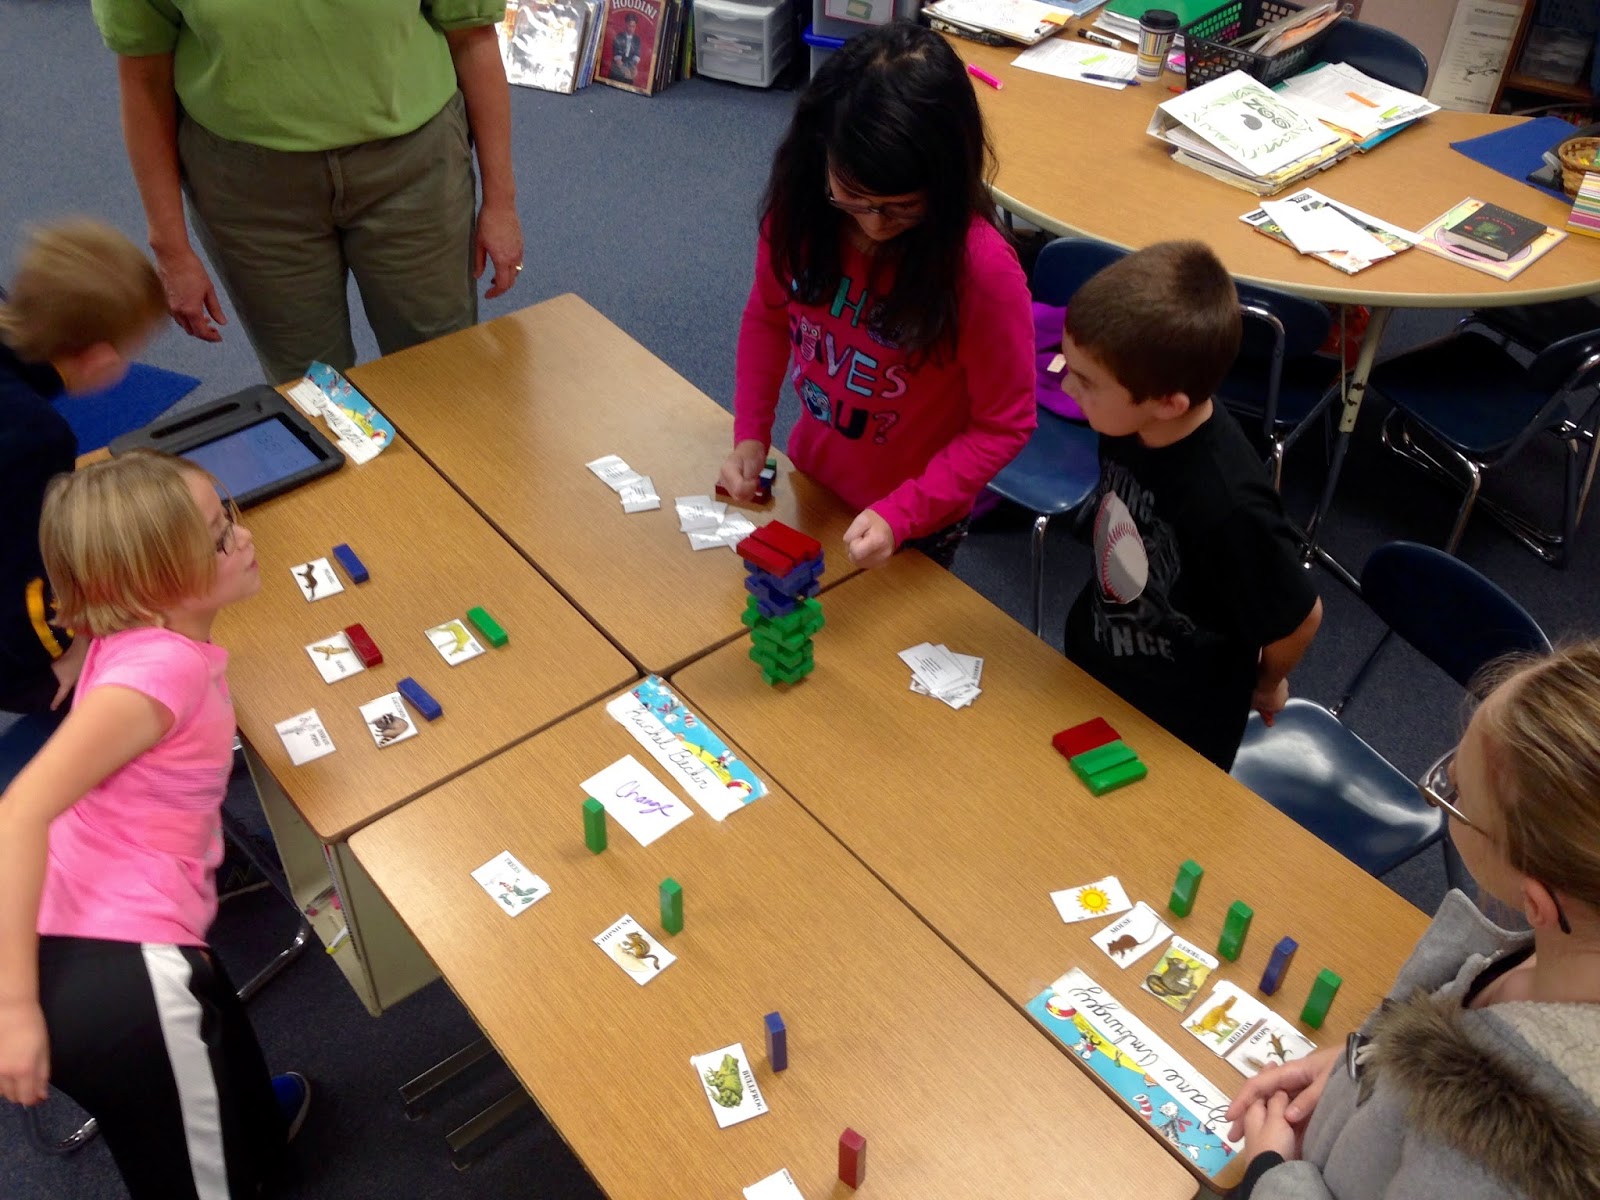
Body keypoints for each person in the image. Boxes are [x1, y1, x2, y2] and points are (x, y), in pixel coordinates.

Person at [0, 451, 308, 1198]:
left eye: (225, 515)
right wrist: (13, 1009)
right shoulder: (158, 672)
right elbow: (20, 811)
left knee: (221, 1039)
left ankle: (252, 1140)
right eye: (215, 537)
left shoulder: (134, 630)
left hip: (126, 912)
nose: (240, 537)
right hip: (119, 975)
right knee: (192, 1177)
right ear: (149, 584)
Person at [1226, 640, 1600, 1198]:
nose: (1440, 785)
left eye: (1455, 794)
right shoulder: (1568, 946)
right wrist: (1371, 1064)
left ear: (1538, 901)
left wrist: (1270, 1173)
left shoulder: (1505, 1159)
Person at [720, 20, 1035, 570]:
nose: (874, 224)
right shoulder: (798, 217)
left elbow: (1004, 422)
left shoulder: (982, 271)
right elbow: (769, 320)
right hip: (814, 481)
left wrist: (904, 513)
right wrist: (751, 435)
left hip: (915, 522)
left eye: (900, 207)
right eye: (854, 199)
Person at [90, 0, 526, 385]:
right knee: (313, 392)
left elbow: (473, 39)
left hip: (412, 165)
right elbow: (144, 77)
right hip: (250, 191)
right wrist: (170, 247)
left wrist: (501, 201)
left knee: (439, 370)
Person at [1057, 241, 1321, 771]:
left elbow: (1301, 616)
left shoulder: (1229, 503)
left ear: (1167, 403)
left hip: (1176, 721)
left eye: (1086, 382)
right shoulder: (1132, 422)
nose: (1066, 386)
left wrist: (1268, 684)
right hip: (1095, 661)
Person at [1, 219, 165, 718]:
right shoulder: (35, 437)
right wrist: (67, 653)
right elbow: (22, 574)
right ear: (99, 357)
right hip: (12, 628)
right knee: (93, 675)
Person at [609, 13, 643, 83]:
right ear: (626, 24)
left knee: (630, 79)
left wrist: (633, 66)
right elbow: (617, 56)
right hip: (617, 67)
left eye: (633, 26)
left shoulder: (637, 39)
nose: (631, 29)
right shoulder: (619, 36)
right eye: (629, 26)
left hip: (630, 66)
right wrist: (624, 69)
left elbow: (637, 55)